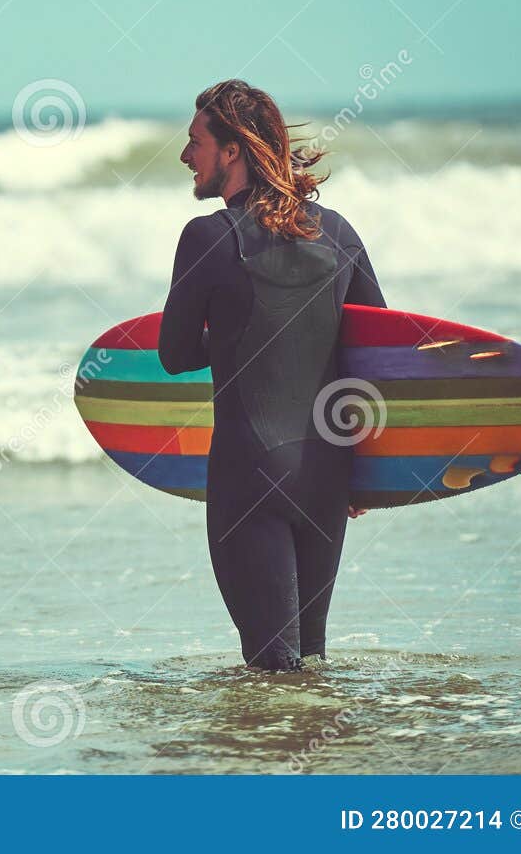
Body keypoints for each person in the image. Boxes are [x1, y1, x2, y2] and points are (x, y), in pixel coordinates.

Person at [158, 79, 384, 671]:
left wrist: (236, 334)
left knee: (270, 671)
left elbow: (175, 353)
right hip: (326, 482)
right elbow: (377, 355)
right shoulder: (337, 232)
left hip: (248, 481)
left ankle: (269, 760)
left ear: (231, 150)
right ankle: (314, 756)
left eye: (195, 142)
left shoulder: (206, 239)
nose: (186, 156)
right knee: (309, 664)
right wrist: (367, 470)